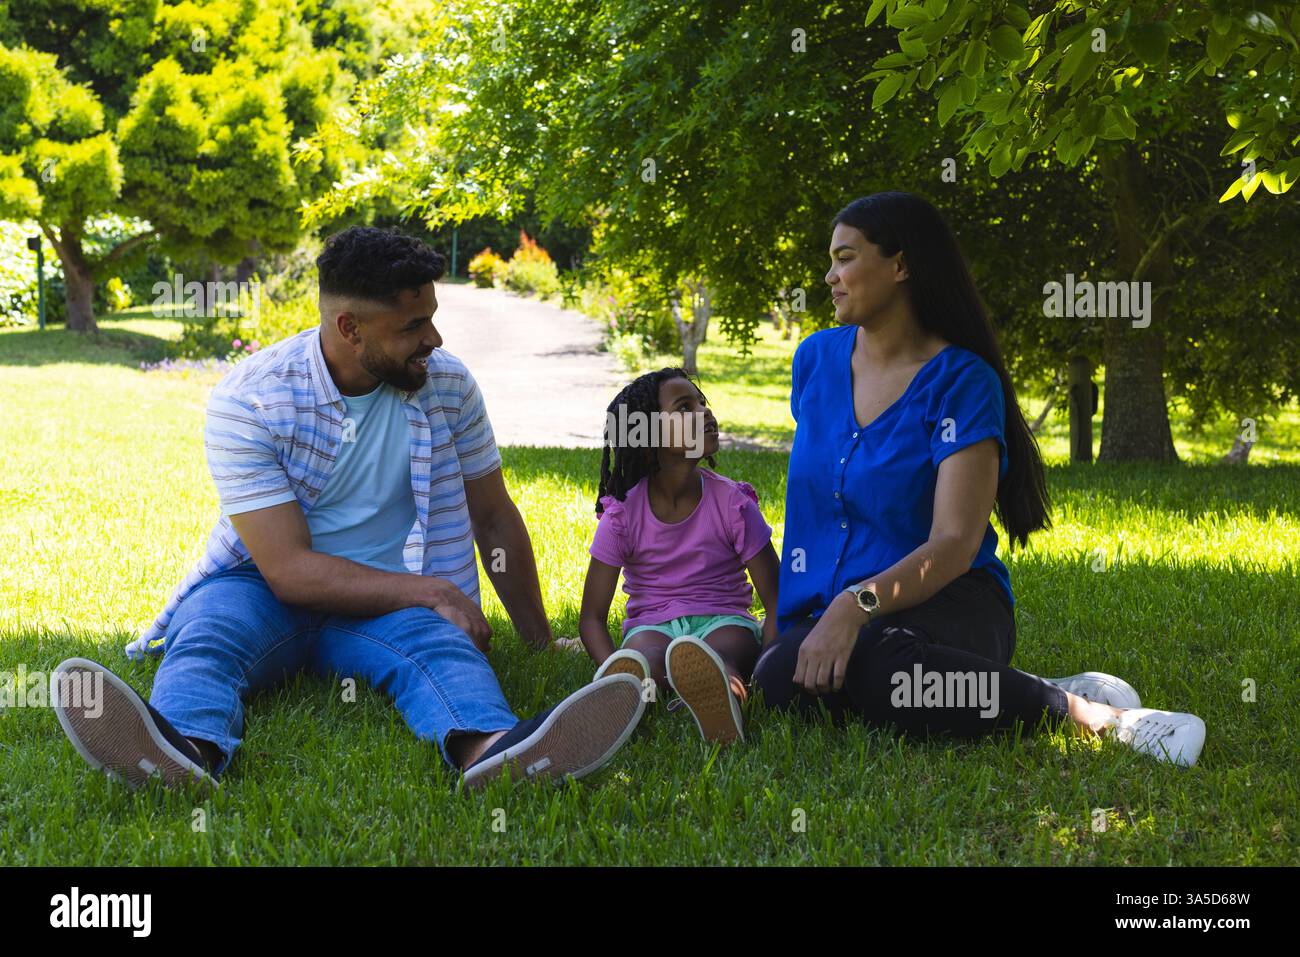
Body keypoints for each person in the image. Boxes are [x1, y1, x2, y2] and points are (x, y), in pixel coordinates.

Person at [52, 226, 645, 792]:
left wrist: (538, 640)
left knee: (440, 649)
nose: (434, 339)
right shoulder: (253, 397)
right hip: (263, 589)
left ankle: (495, 751)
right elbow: (287, 569)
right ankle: (181, 752)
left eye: (433, 318)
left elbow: (492, 517)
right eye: (413, 326)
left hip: (388, 595)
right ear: (349, 327)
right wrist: (434, 593)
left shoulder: (447, 385)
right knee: (208, 635)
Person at [752, 191, 1206, 767]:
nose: (830, 275)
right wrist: (804, 618)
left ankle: (1097, 717)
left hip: (951, 600)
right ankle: (995, 685)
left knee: (888, 672)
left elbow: (953, 543)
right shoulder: (814, 360)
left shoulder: (962, 381)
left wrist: (852, 606)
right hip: (837, 615)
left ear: (900, 265)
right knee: (779, 684)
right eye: (831, 260)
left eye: (845, 258)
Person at [574, 368, 780, 744]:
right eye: (685, 408)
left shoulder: (733, 504)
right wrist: (609, 662)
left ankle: (724, 700)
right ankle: (623, 691)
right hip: (651, 625)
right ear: (647, 437)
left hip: (723, 619)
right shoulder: (621, 515)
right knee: (644, 661)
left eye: (702, 403)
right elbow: (591, 618)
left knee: (723, 658)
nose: (705, 413)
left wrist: (766, 659)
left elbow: (776, 596)